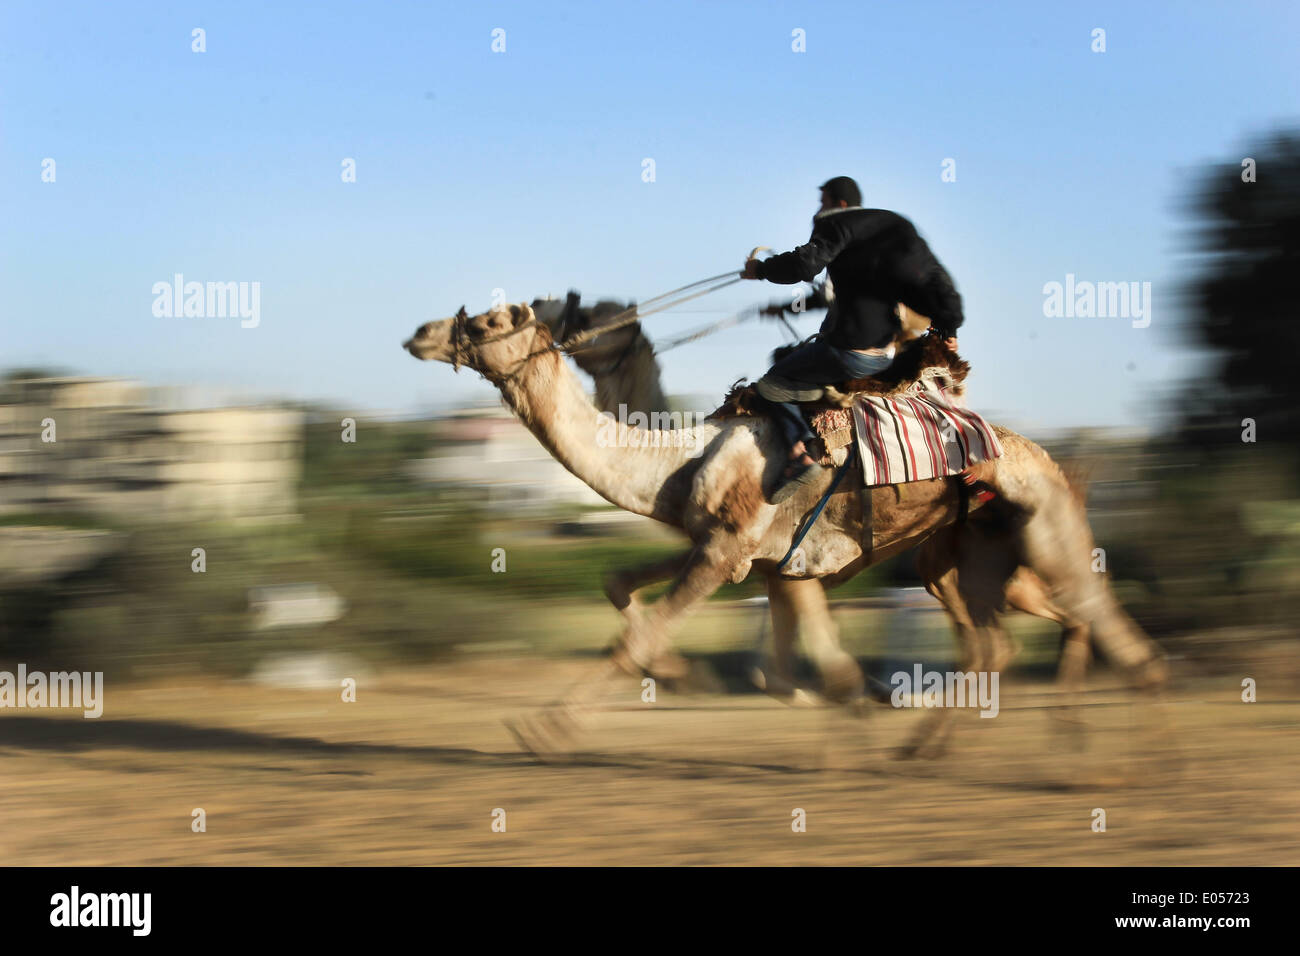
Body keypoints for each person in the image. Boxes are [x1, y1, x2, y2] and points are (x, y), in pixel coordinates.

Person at [742, 176, 966, 502]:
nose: (820, 210)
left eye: (823, 202)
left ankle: (798, 455)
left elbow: (805, 265)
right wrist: (950, 329)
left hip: (847, 352)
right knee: (792, 357)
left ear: (840, 204)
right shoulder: (894, 229)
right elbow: (936, 282)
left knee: (771, 383)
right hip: (883, 354)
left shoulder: (837, 225)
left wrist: (760, 270)